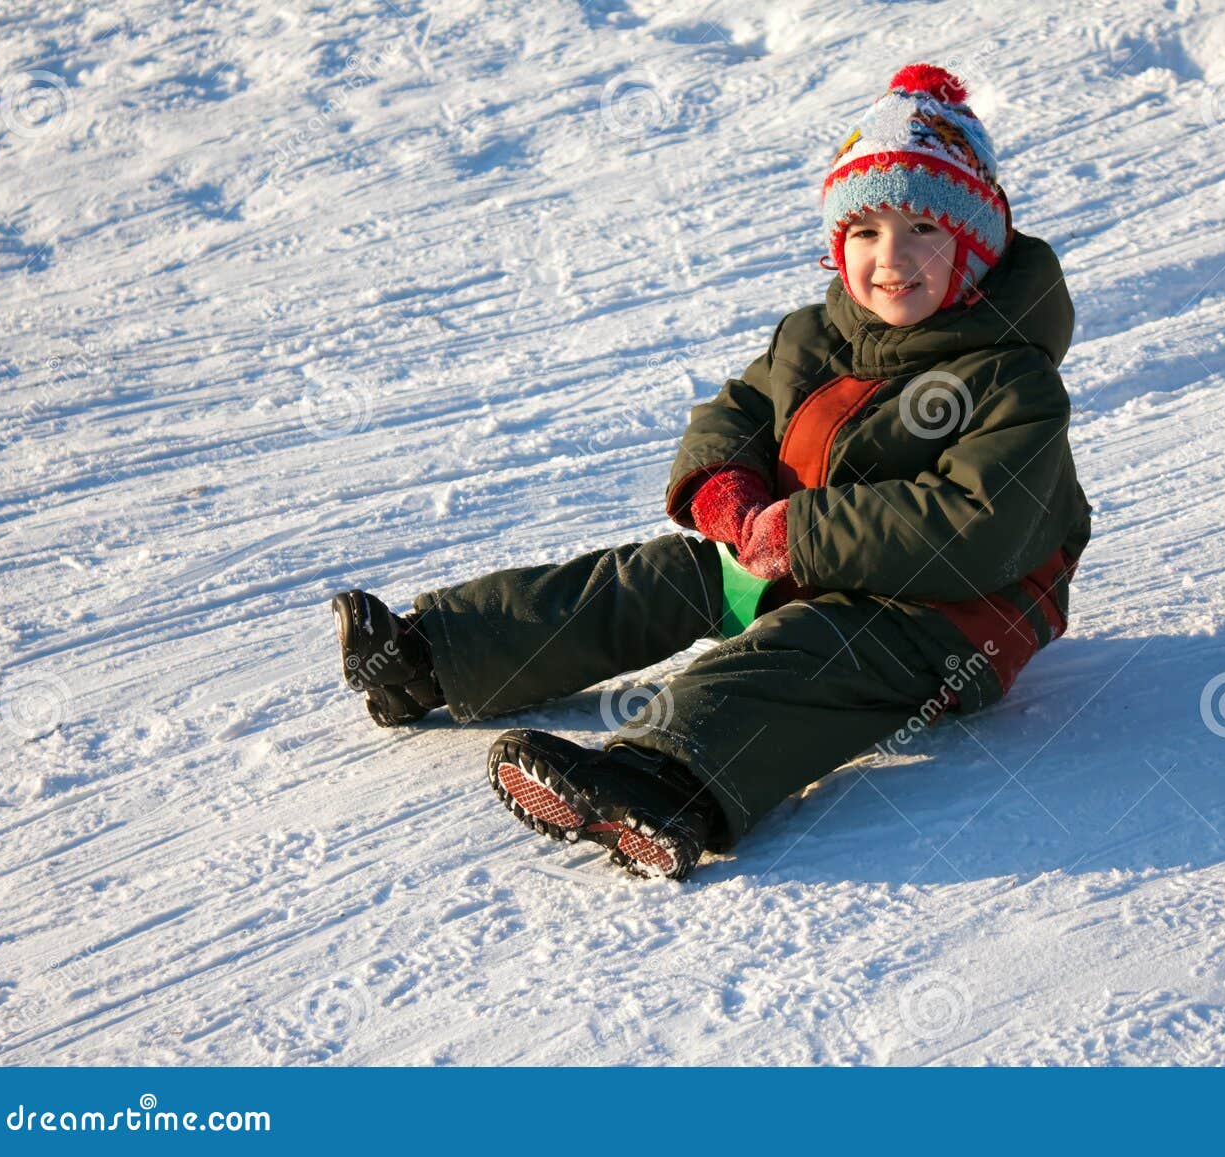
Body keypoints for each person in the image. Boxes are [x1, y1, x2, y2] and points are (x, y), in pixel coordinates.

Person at [329, 63, 1092, 881]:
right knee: (660, 575)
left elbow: (976, 528)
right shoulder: (814, 334)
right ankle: (436, 654)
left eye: (924, 231)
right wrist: (727, 489)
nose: (890, 258)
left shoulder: (1010, 376)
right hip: (799, 556)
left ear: (976, 245)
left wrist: (795, 532)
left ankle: (663, 783)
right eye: (865, 233)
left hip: (950, 619)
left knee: (810, 646)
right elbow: (737, 412)